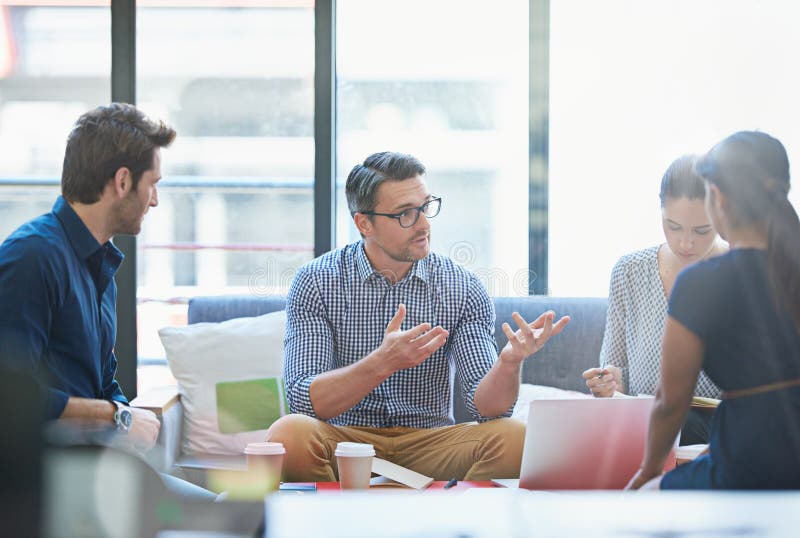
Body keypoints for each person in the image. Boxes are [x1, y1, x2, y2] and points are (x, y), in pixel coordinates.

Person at [267, 151, 570, 482]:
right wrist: (383, 362)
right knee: (289, 434)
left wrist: (509, 364)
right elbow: (302, 400)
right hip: (346, 442)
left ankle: (453, 521)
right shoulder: (317, 281)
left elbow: (489, 411)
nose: (424, 224)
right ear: (363, 223)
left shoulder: (462, 286)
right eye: (405, 215)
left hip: (431, 442)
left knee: (514, 436)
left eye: (425, 207)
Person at [0, 103, 213, 500]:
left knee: (225, 514)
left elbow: (101, 381)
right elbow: (11, 399)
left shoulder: (99, 264)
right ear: (122, 181)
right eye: (153, 184)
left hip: (94, 473)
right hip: (45, 486)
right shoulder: (32, 258)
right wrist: (117, 415)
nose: (154, 201)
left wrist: (118, 409)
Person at [627, 131, 800, 490]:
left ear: (717, 197)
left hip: (748, 467)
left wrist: (648, 473)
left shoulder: (701, 283)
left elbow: (671, 403)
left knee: (646, 497)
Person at [582, 155, 727, 445]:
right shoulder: (630, 272)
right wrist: (609, 383)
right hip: (645, 424)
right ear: (660, 211)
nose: (686, 243)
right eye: (673, 226)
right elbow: (614, 370)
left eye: (701, 231)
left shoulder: (748, 273)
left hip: (722, 429)